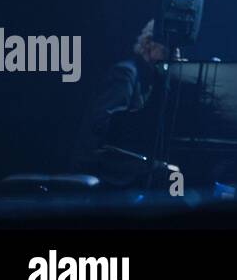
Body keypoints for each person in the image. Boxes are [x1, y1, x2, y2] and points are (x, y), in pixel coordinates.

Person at [70, 20, 168, 183]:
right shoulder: (125, 72)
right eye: (167, 47)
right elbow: (103, 123)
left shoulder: (152, 79)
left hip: (120, 160)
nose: (174, 53)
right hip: (98, 163)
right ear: (149, 43)